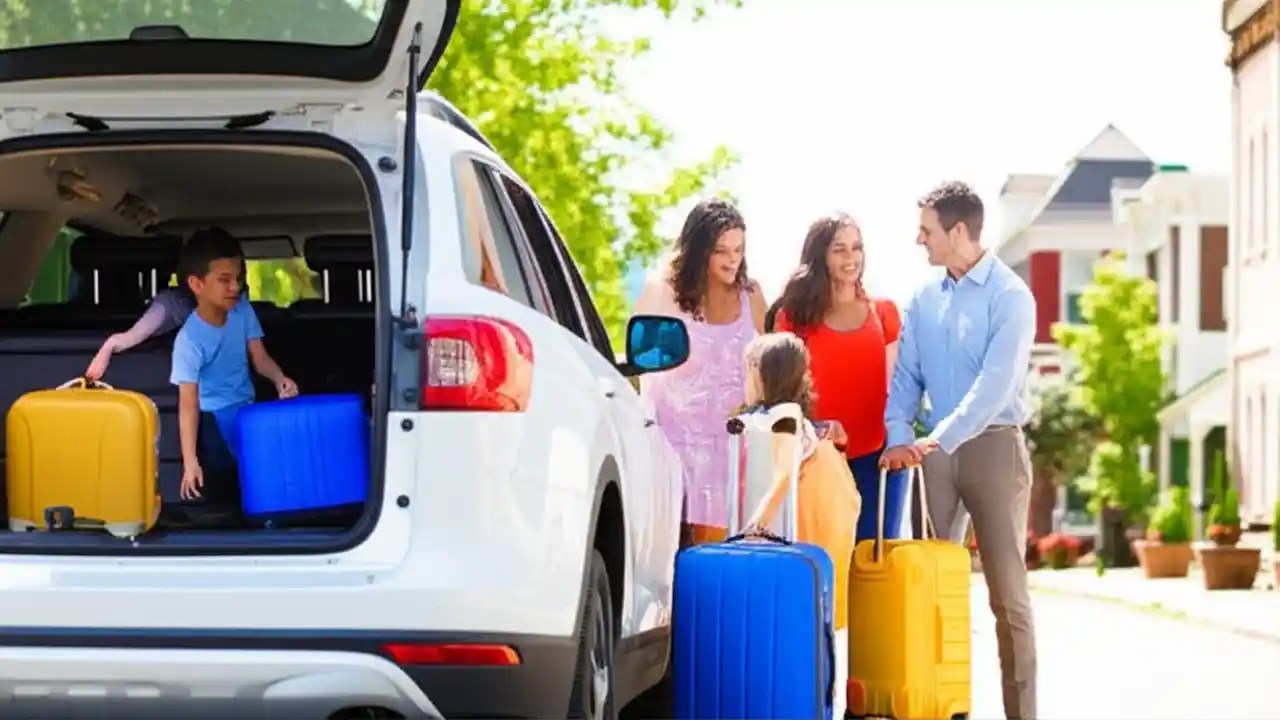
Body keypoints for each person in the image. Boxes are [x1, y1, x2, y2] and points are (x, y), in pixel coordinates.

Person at [882, 181, 1037, 720]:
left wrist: (938, 437)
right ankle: (940, 707)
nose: (918, 239)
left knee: (1008, 598)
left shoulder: (1011, 297)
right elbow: (906, 377)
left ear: (958, 231)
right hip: (933, 454)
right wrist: (899, 432)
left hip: (993, 447)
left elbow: (993, 386)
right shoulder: (923, 298)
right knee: (933, 592)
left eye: (926, 230)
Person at [635, 198, 766, 545]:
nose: (733, 259)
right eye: (722, 251)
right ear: (698, 251)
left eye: (738, 249)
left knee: (723, 561)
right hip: (674, 447)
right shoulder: (662, 292)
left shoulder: (751, 296)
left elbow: (770, 366)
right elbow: (638, 363)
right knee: (673, 556)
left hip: (733, 450)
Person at [774, 212, 907, 543]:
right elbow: (783, 393)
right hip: (818, 458)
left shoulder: (885, 312)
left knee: (874, 562)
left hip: (879, 458)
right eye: (840, 249)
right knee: (824, 559)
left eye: (857, 248)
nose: (852, 258)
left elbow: (902, 386)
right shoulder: (793, 317)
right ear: (821, 255)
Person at [736, 332, 859, 632]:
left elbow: (784, 472)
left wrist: (756, 524)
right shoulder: (770, 415)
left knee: (801, 602)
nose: (744, 380)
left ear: (765, 373)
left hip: (804, 518)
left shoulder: (784, 417)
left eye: (748, 370)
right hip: (804, 515)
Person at [170, 227, 298, 505]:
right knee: (237, 476)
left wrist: (280, 379)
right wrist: (190, 462)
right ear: (196, 284)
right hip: (214, 419)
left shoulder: (241, 310)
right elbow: (188, 404)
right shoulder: (189, 341)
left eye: (238, 279)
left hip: (247, 410)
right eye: (224, 280)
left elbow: (260, 359)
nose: (235, 287)